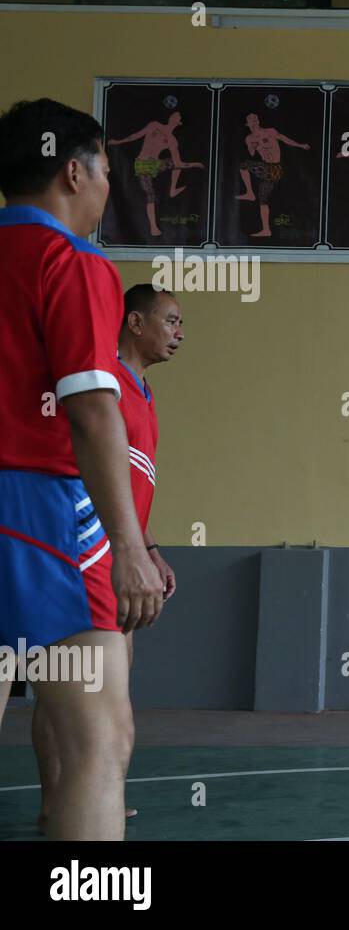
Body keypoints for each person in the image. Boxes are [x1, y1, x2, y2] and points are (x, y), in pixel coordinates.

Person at [0, 97, 165, 840]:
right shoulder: (72, 261)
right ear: (74, 171)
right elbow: (94, 412)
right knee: (97, 741)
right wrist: (130, 547)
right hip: (41, 516)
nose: (107, 188)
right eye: (105, 171)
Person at [31, 282, 184, 832]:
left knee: (107, 687)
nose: (179, 333)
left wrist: (148, 548)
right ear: (135, 323)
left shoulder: (143, 391)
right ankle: (59, 802)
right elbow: (86, 468)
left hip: (121, 556)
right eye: (170, 321)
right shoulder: (104, 382)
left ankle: (87, 794)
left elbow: (128, 486)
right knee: (69, 687)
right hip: (82, 552)